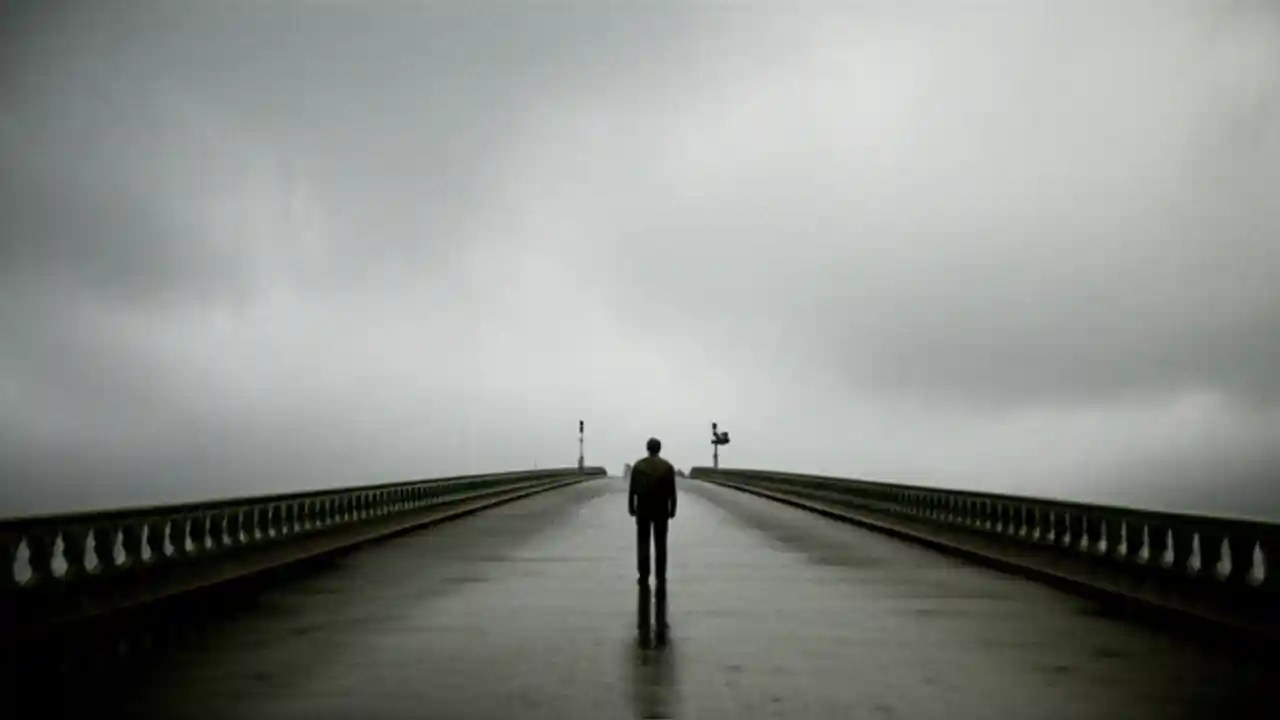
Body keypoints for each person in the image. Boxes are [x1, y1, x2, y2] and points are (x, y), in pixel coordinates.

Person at [629, 437, 677, 588]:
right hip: (661, 509)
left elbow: (632, 490)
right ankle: (660, 574)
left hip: (643, 508)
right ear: (659, 449)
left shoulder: (638, 466)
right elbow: (672, 491)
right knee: (661, 543)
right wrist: (672, 509)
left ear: (647, 448)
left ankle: (643, 573)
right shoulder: (667, 467)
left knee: (643, 542)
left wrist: (632, 507)